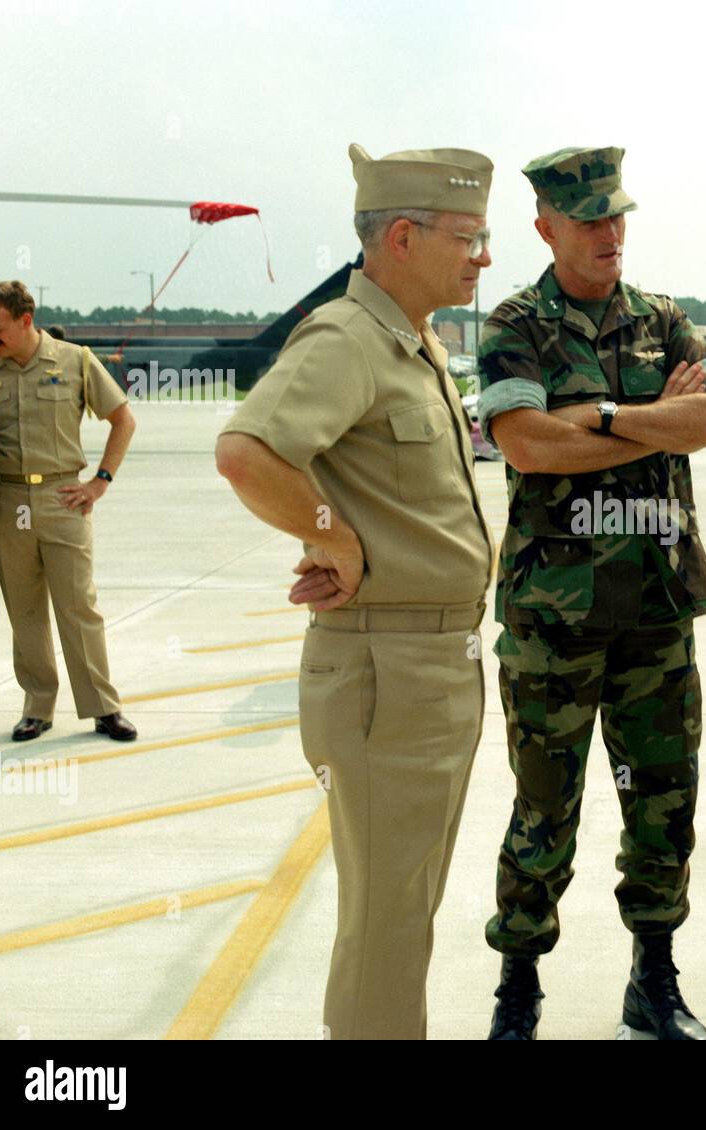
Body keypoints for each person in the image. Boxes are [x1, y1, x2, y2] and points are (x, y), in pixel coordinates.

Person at [215, 143, 496, 1040]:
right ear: (404, 237)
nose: (483, 256)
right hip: (389, 673)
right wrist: (332, 538)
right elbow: (247, 451)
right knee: (385, 922)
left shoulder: (409, 343)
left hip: (427, 668)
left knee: (401, 915)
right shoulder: (346, 337)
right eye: (470, 236)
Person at [477, 145, 706, 1040]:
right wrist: (648, 429)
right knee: (543, 807)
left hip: (658, 615)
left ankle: (654, 983)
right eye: (589, 219)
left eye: (617, 215)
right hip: (554, 619)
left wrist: (598, 416)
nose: (609, 233)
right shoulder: (515, 324)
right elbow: (527, 446)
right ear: (546, 227)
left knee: (666, 802)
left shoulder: (665, 319)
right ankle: (518, 992)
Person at [0, 281, 138, 742]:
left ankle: (103, 708)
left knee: (79, 607)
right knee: (24, 612)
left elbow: (123, 418)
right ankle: (37, 708)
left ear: (26, 321)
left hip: (63, 499)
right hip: (5, 503)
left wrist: (99, 482)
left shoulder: (76, 361)